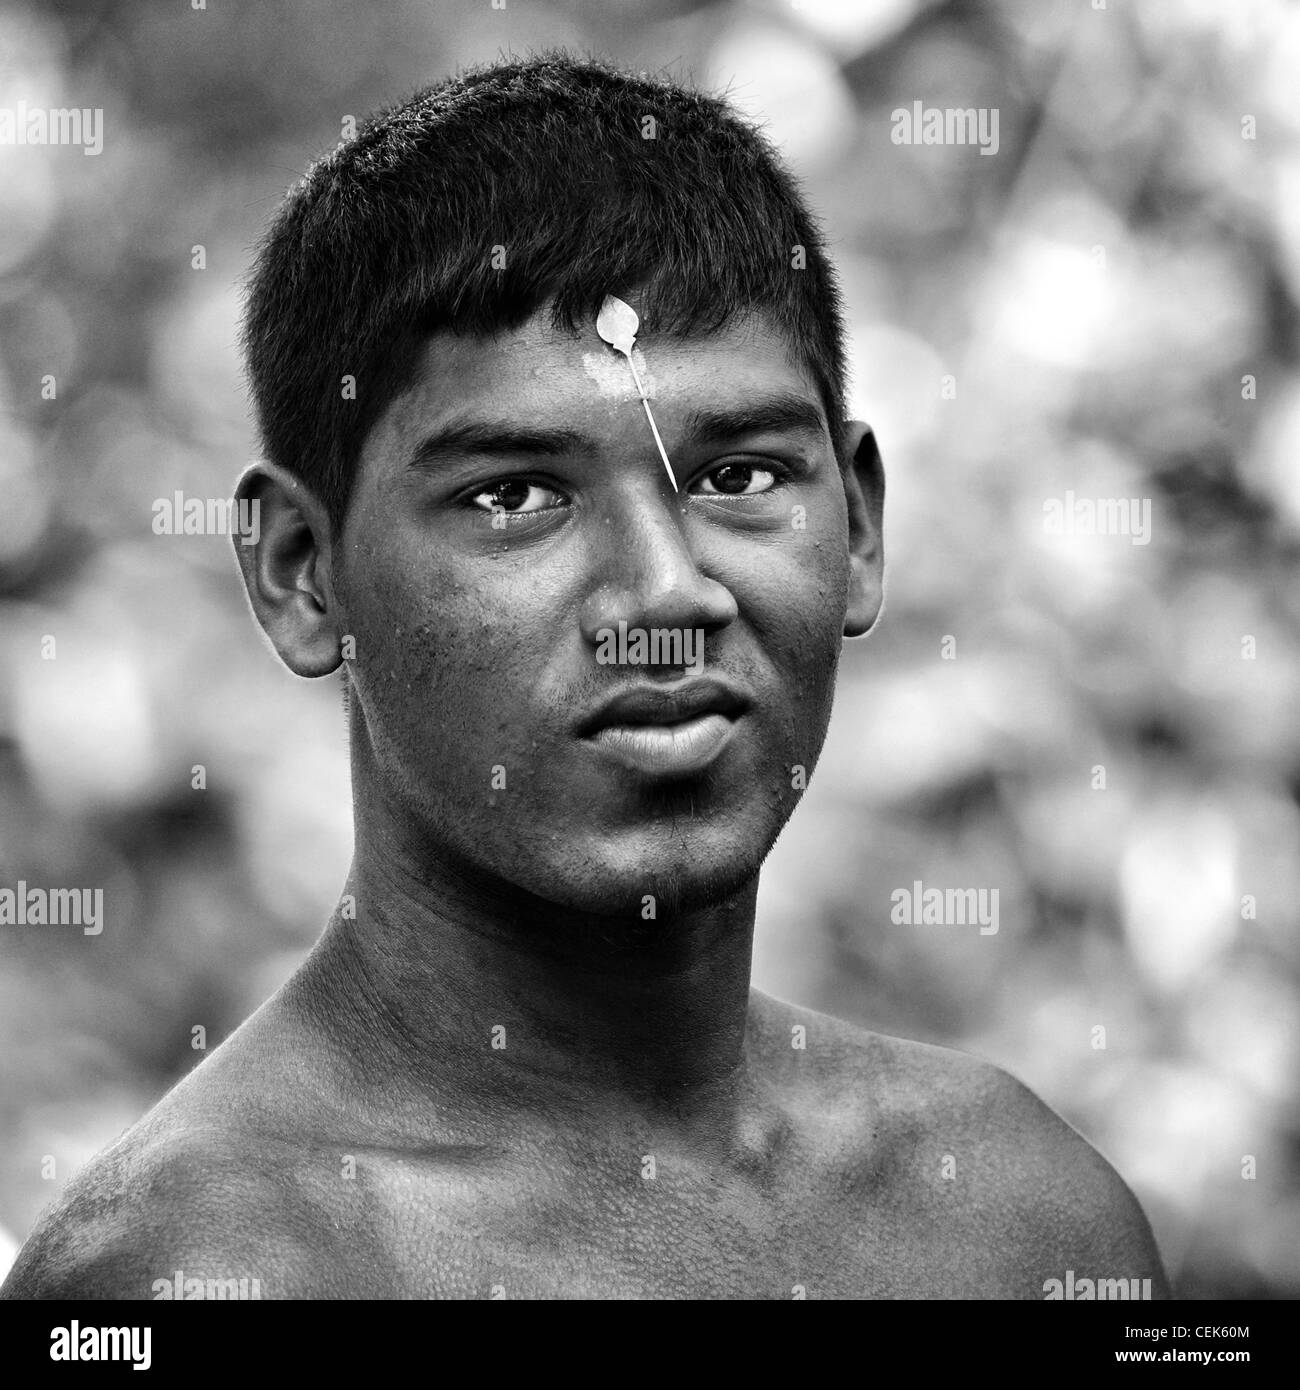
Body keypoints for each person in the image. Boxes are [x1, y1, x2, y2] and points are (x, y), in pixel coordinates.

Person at [2, 53, 1168, 1300]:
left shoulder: (1023, 1222)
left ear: (862, 530)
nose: (665, 596)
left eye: (738, 477)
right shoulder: (205, 1276)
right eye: (513, 495)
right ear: (301, 572)